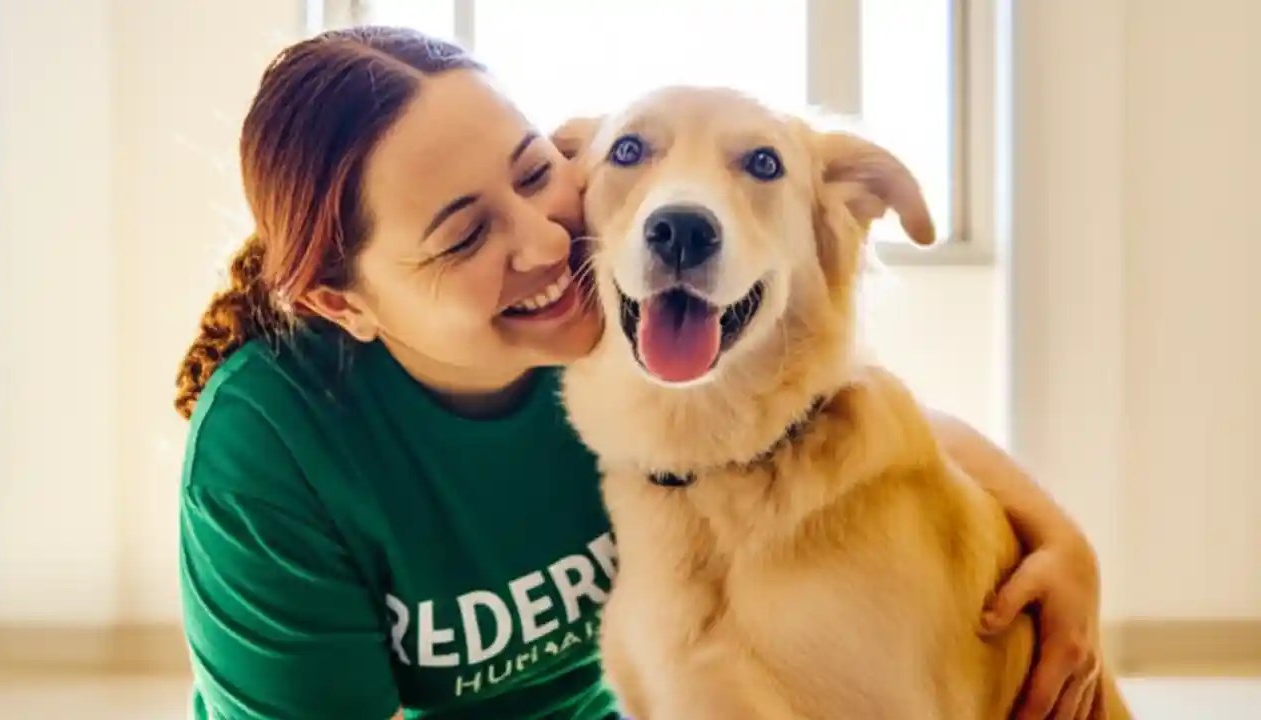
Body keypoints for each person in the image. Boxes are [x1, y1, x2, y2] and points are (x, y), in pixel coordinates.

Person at [175, 25, 1105, 720]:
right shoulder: (274, 446)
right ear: (347, 303)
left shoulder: (609, 331)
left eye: (535, 173)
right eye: (463, 235)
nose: (546, 241)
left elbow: (857, 422)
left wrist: (1064, 545)